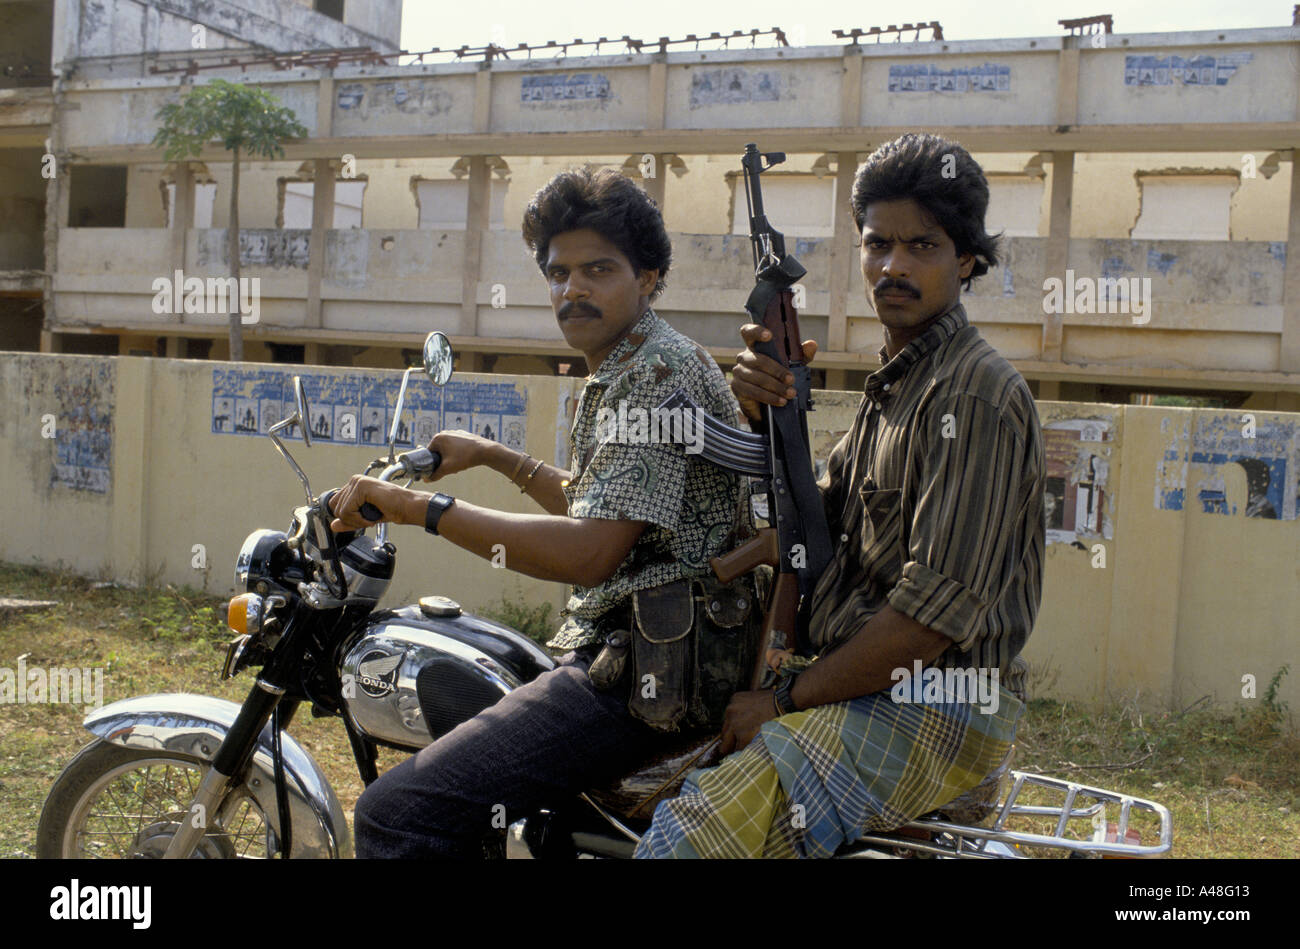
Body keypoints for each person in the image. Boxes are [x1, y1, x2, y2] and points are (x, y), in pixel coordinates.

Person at [635, 132, 1047, 858]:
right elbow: (820, 524)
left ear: (968, 260)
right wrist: (764, 415)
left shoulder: (975, 392)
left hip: (938, 700)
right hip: (865, 682)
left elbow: (927, 622)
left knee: (693, 835)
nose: (892, 266)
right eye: (876, 244)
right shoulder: (893, 385)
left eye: (922, 246)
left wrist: (783, 701)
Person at [325, 167, 749, 858]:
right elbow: (603, 503)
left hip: (647, 672)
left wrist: (417, 506)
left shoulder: (655, 372)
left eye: (597, 270)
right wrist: (492, 454)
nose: (572, 289)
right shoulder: (625, 365)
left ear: (648, 277)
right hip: (645, 654)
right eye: (558, 273)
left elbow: (591, 550)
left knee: (396, 813)